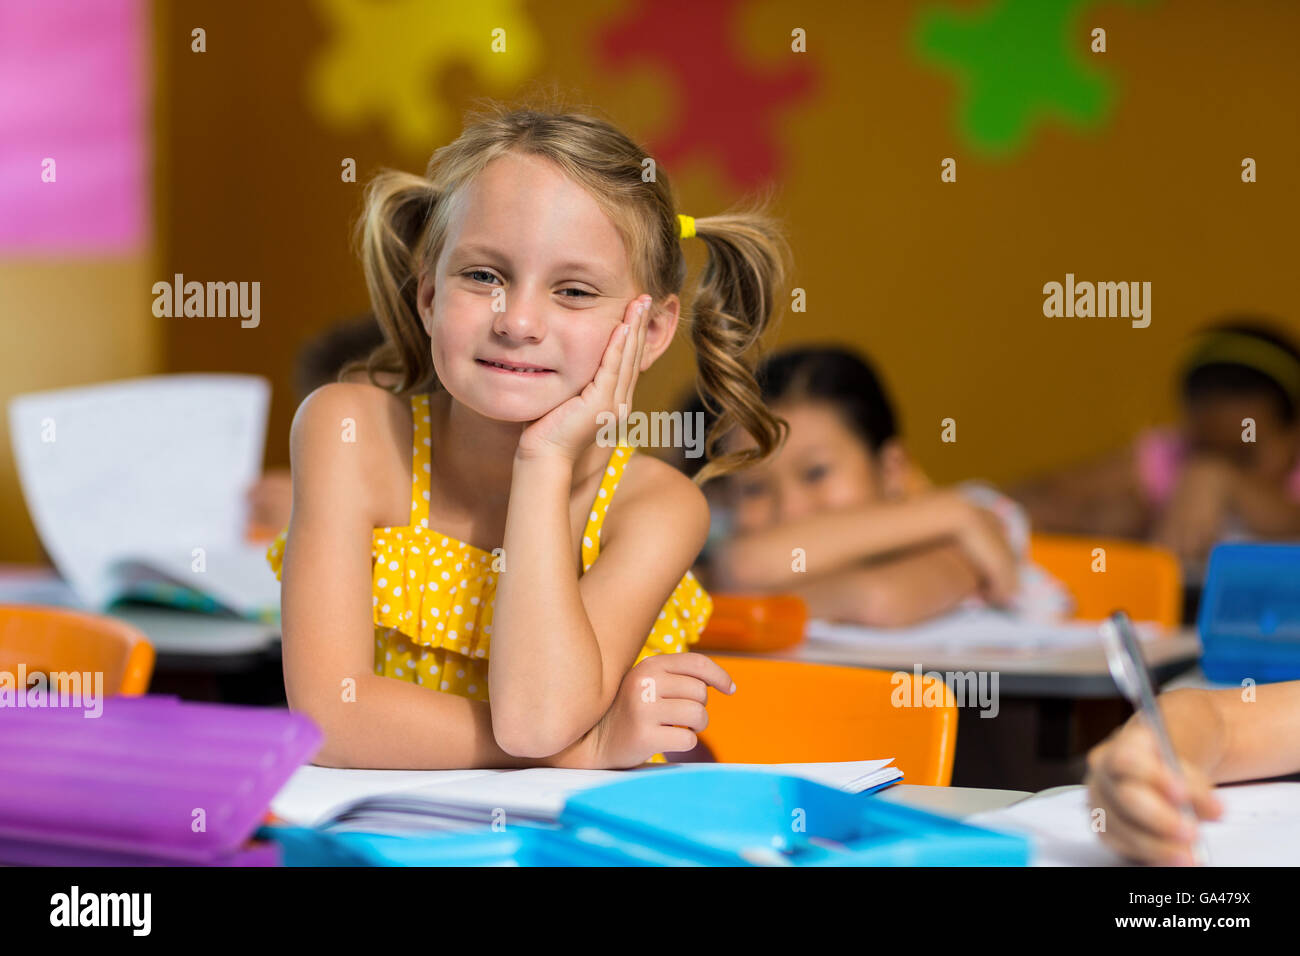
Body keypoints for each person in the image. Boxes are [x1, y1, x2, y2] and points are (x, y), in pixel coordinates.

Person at [265, 100, 793, 770]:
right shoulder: (349, 431)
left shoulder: (654, 509)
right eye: (484, 276)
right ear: (428, 295)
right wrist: (584, 749)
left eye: (573, 291)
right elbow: (331, 719)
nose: (517, 322)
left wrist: (544, 461)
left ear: (651, 330)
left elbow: (535, 717)